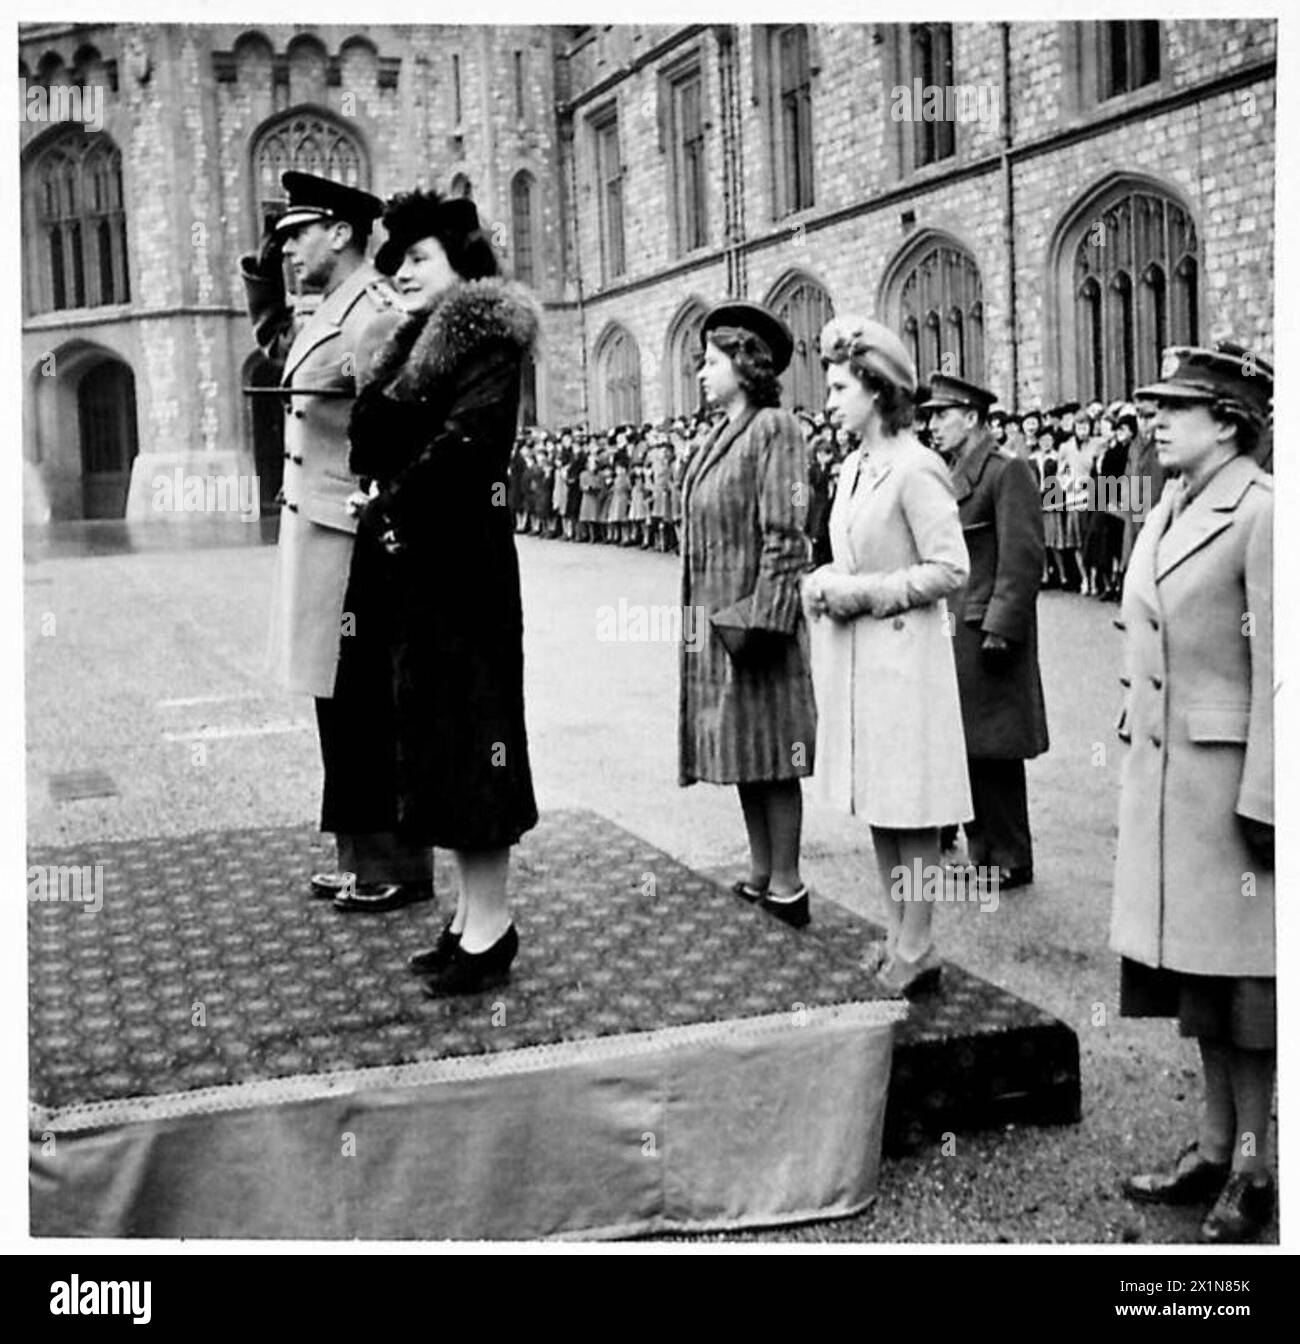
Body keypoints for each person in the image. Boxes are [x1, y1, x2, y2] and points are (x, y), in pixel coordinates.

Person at [342, 187, 541, 994]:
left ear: (463, 263)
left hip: (466, 574)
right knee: (436, 741)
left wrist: (388, 505)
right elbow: (367, 437)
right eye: (400, 260)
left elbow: (468, 449)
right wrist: (394, 359)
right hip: (425, 571)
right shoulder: (417, 344)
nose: (404, 271)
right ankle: (469, 917)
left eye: (420, 258)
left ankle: (492, 929)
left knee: (475, 740)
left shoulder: (490, 341)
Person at [1111, 343, 1274, 1242]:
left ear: (1230, 420)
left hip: (1229, 789)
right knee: (1202, 987)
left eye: (1179, 406)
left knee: (1251, 996)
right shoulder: (1172, 503)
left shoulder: (1263, 511)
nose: (1158, 419)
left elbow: (1282, 672)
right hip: (1169, 779)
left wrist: (1270, 800)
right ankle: (1213, 1146)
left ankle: (1255, 1168)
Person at [240, 170, 427, 905]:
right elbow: (279, 342)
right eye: (283, 238)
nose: (289, 248)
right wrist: (261, 271)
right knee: (337, 697)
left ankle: (396, 867)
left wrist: (384, 516)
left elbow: (402, 428)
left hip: (356, 535)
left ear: (342, 232)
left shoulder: (372, 315)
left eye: (297, 234)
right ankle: (359, 853)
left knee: (370, 701)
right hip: (321, 533)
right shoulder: (331, 311)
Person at [805, 319, 972, 994]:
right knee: (880, 801)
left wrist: (861, 593)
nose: (830, 401)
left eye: (842, 387)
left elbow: (950, 568)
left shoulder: (916, 467)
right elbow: (847, 551)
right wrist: (823, 582)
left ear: (877, 390)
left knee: (915, 808)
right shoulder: (853, 467)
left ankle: (919, 941)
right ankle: (898, 933)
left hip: (907, 663)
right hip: (862, 659)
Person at [679, 300, 817, 928]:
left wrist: (767, 619)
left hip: (757, 621)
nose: (700, 373)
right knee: (744, 747)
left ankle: (788, 884)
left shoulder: (776, 429)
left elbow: (787, 534)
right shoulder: (719, 432)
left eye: (710, 361)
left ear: (744, 363)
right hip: (720, 619)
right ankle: (761, 871)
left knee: (774, 750)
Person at [924, 374, 1049, 891]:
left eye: (941, 415)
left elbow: (1022, 557)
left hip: (985, 630)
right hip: (956, 626)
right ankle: (984, 848)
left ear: (972, 417)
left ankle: (1009, 856)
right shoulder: (951, 473)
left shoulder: (1007, 470)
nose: (931, 426)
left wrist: (1001, 627)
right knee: (969, 745)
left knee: (995, 750)